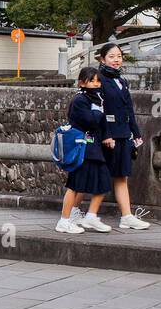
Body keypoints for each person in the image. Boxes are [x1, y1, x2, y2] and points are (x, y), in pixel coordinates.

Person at [96, 43, 151, 230]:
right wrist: (105, 134)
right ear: (102, 59)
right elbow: (98, 111)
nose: (116, 60)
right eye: (111, 56)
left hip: (123, 134)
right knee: (97, 175)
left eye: (119, 56)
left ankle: (126, 216)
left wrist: (135, 133)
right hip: (107, 136)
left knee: (121, 176)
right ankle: (76, 213)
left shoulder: (122, 81)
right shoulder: (99, 80)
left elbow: (129, 110)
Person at [56, 67, 116, 234]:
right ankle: (64, 220)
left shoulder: (97, 99)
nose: (96, 84)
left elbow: (102, 124)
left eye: (98, 81)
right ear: (82, 83)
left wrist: (107, 136)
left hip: (95, 148)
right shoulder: (80, 100)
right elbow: (90, 121)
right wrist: (99, 113)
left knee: (103, 182)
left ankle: (91, 216)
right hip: (82, 147)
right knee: (75, 185)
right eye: (92, 81)